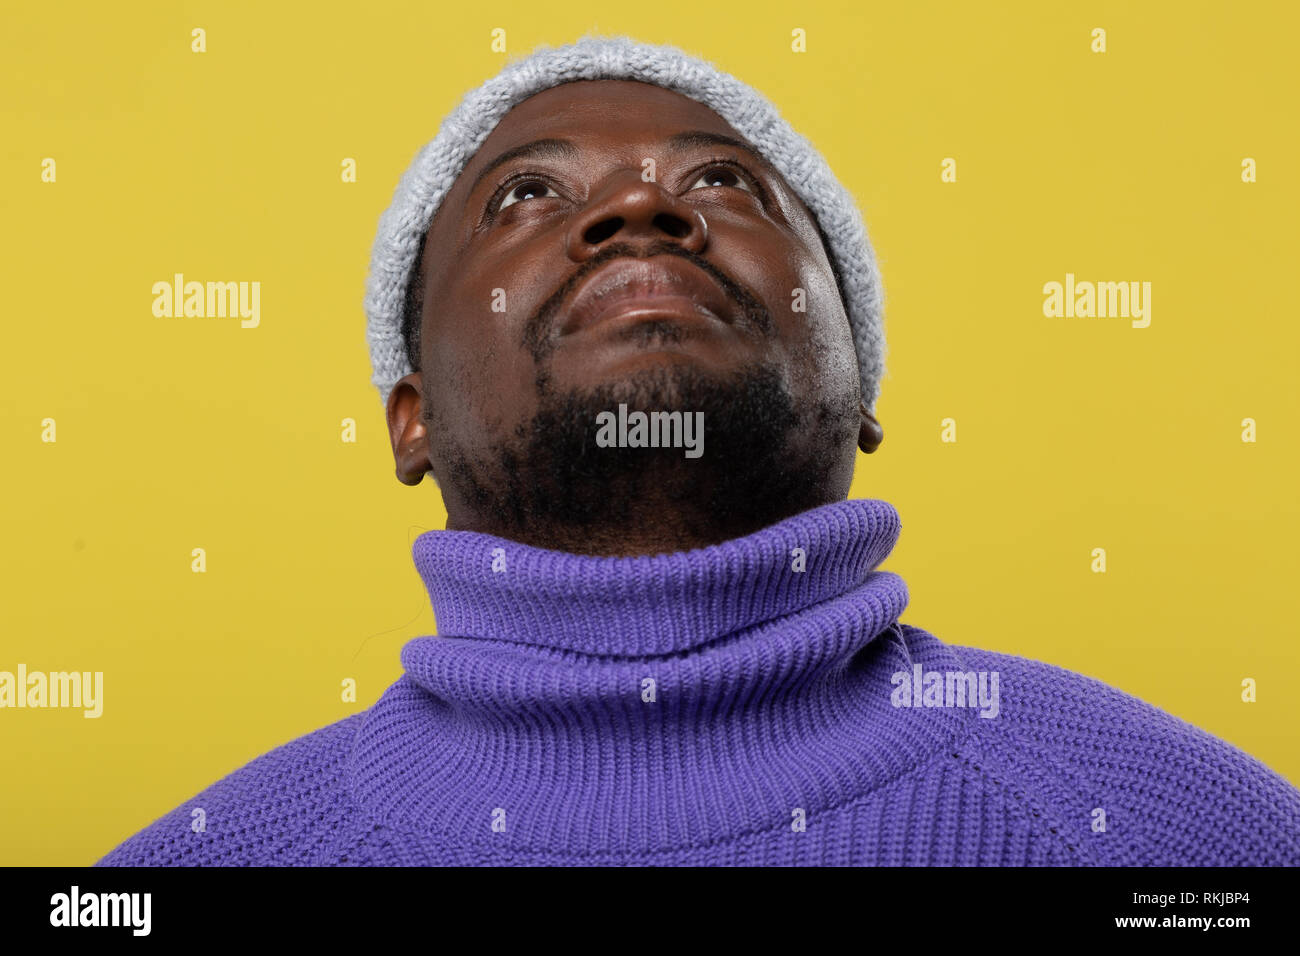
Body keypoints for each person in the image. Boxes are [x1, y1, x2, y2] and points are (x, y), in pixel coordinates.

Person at [97, 34, 1300, 866]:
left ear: (862, 379)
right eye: (524, 195)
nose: (637, 208)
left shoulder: (1185, 835)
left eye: (722, 181)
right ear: (408, 415)